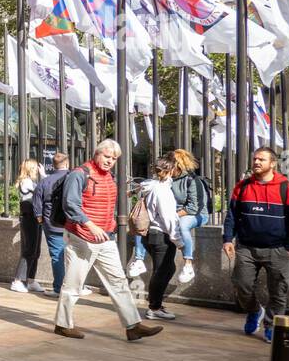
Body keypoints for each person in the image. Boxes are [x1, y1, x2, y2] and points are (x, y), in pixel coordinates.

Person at [53, 139, 163, 342]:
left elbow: (108, 201)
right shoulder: (79, 174)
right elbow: (70, 205)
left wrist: (109, 222)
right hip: (82, 237)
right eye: (106, 156)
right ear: (96, 153)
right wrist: (90, 225)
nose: (110, 161)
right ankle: (63, 324)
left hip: (105, 237)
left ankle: (133, 326)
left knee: (118, 281)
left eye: (114, 158)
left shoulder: (109, 177)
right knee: (73, 284)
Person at [222, 147, 289, 342]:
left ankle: (270, 325)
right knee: (241, 286)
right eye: (255, 159)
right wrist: (227, 239)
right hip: (246, 248)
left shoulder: (286, 188)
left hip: (277, 249)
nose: (257, 162)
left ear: (273, 163)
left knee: (279, 291)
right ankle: (255, 311)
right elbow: (232, 216)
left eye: (262, 159)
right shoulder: (242, 187)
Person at [33, 152, 93, 298]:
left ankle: (59, 287)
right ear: (67, 163)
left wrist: (41, 220)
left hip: (52, 224)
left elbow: (37, 202)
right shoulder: (74, 177)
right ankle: (79, 286)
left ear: (53, 165)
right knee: (78, 255)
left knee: (57, 256)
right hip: (72, 222)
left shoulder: (45, 181)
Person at [138, 156, 182, 321]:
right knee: (162, 271)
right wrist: (178, 240)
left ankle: (155, 305)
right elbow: (169, 218)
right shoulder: (162, 190)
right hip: (160, 235)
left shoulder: (151, 186)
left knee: (166, 269)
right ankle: (154, 307)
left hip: (152, 234)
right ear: (170, 170)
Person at [170, 148, 211, 285]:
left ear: (178, 165)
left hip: (197, 214)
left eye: (170, 163)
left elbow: (194, 207)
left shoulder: (192, 180)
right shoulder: (168, 178)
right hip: (176, 213)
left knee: (183, 225)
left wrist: (173, 215)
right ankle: (139, 259)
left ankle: (188, 264)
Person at [10, 159, 45, 294]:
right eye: (35, 168)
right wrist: (44, 176)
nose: (37, 170)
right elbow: (43, 190)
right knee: (29, 250)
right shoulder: (26, 182)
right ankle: (18, 280)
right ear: (30, 169)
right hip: (29, 217)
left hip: (35, 218)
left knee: (35, 251)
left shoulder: (32, 181)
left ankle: (30, 280)